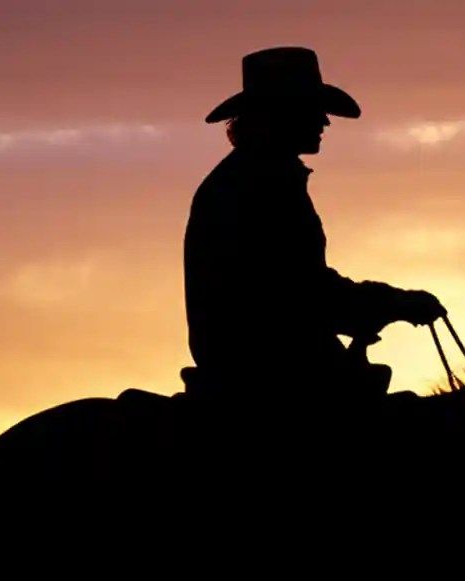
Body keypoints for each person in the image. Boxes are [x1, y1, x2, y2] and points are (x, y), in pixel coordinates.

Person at [180, 46, 446, 422]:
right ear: (281, 115)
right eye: (312, 109)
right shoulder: (260, 186)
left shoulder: (249, 179)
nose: (325, 121)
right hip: (275, 379)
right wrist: (393, 304)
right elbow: (303, 291)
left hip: (259, 369)